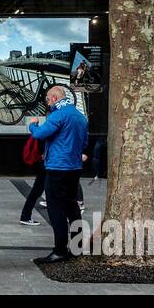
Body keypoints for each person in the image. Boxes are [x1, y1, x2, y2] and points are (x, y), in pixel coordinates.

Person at [27, 86, 88, 265]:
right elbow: (84, 142)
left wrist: (33, 124)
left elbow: (39, 134)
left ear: (54, 98)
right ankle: (76, 249)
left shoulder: (58, 115)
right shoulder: (80, 116)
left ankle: (59, 250)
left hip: (57, 167)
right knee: (73, 208)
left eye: (47, 99)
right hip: (75, 167)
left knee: (56, 210)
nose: (47, 102)